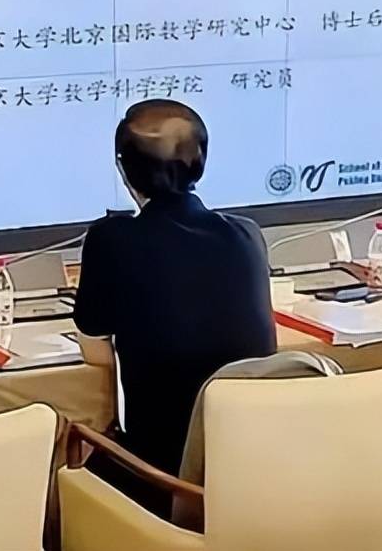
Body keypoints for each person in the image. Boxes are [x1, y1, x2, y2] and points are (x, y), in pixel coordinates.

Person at [74, 100, 275, 498]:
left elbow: (96, 353)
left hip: (161, 475)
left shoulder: (112, 239)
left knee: (68, 461)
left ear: (123, 169)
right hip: (248, 471)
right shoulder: (247, 234)